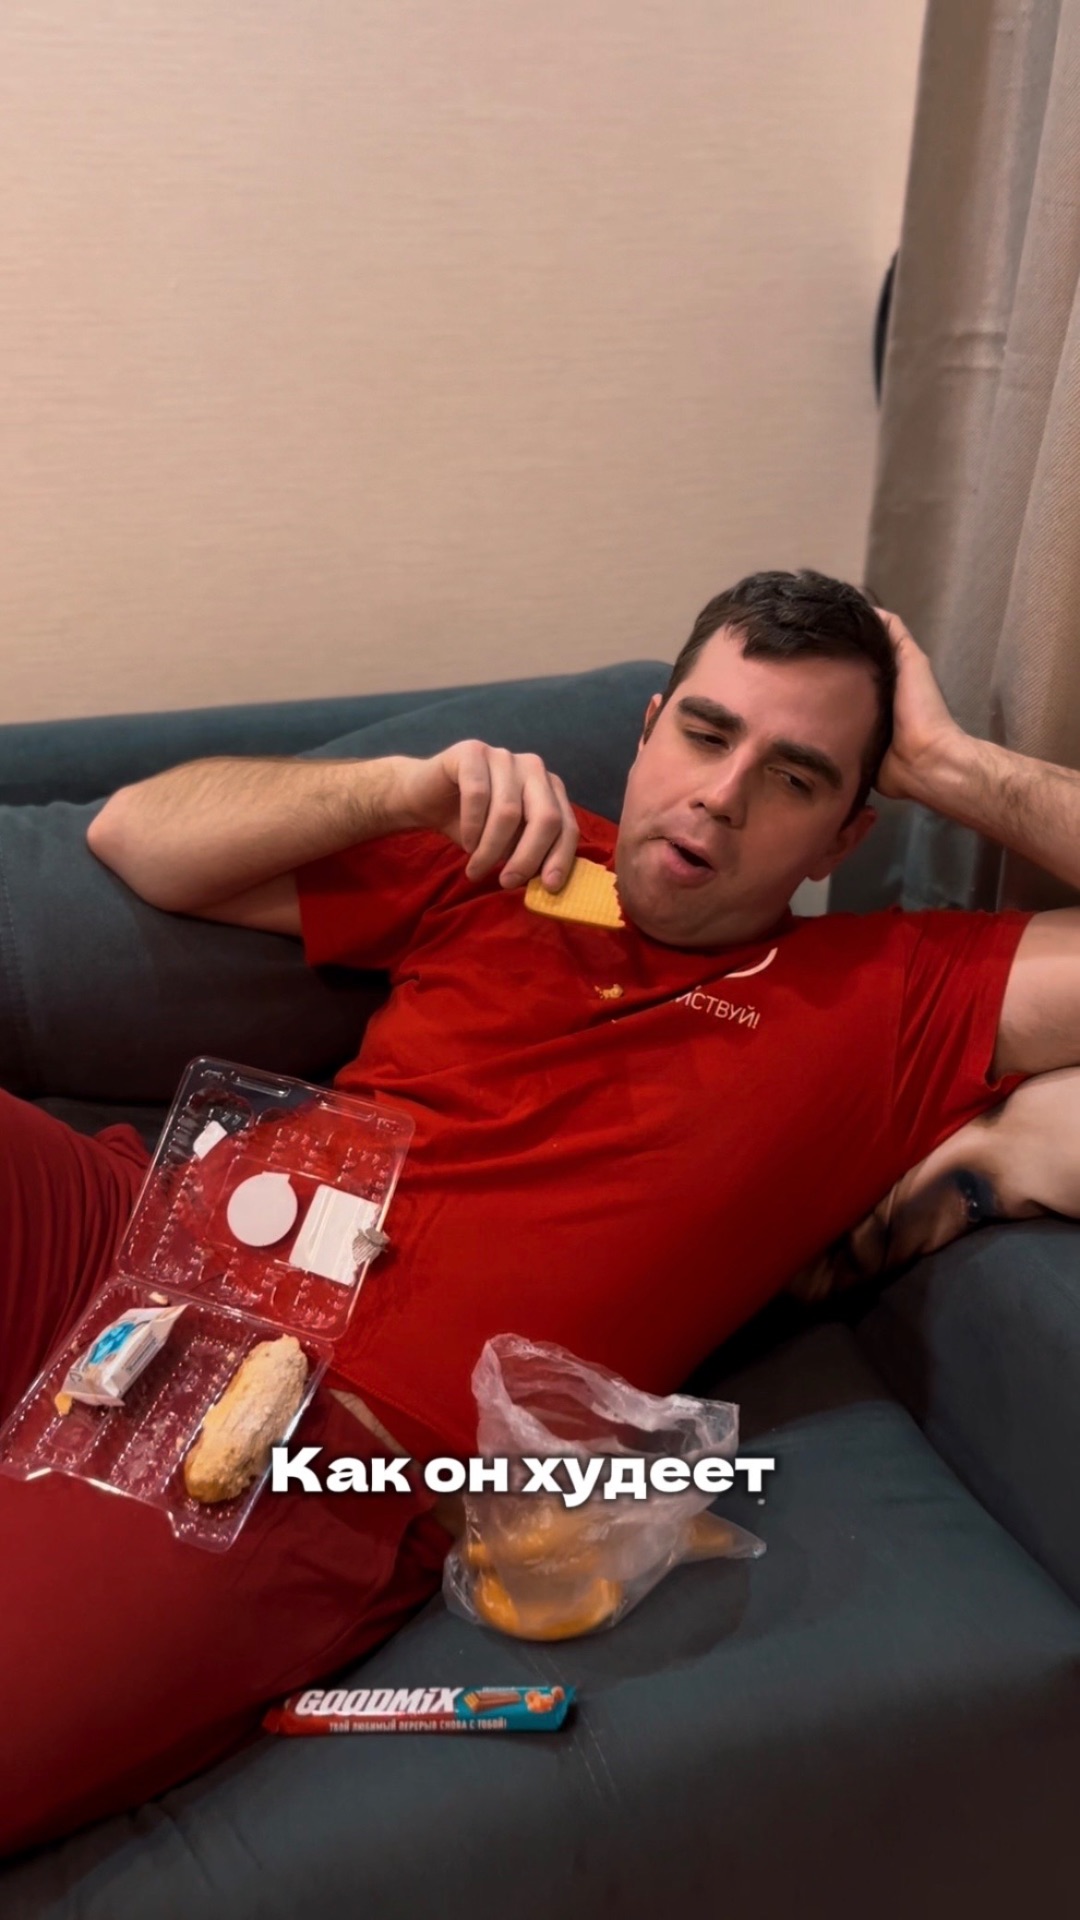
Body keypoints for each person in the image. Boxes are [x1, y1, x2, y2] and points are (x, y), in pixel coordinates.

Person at [3, 569, 1079, 1856]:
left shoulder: (901, 996)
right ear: (650, 728)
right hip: (124, 1224)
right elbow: (137, 837)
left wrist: (954, 767)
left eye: (794, 779)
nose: (722, 797)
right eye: (707, 733)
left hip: (323, 1446)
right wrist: (398, 789)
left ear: (845, 837)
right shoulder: (520, 855)